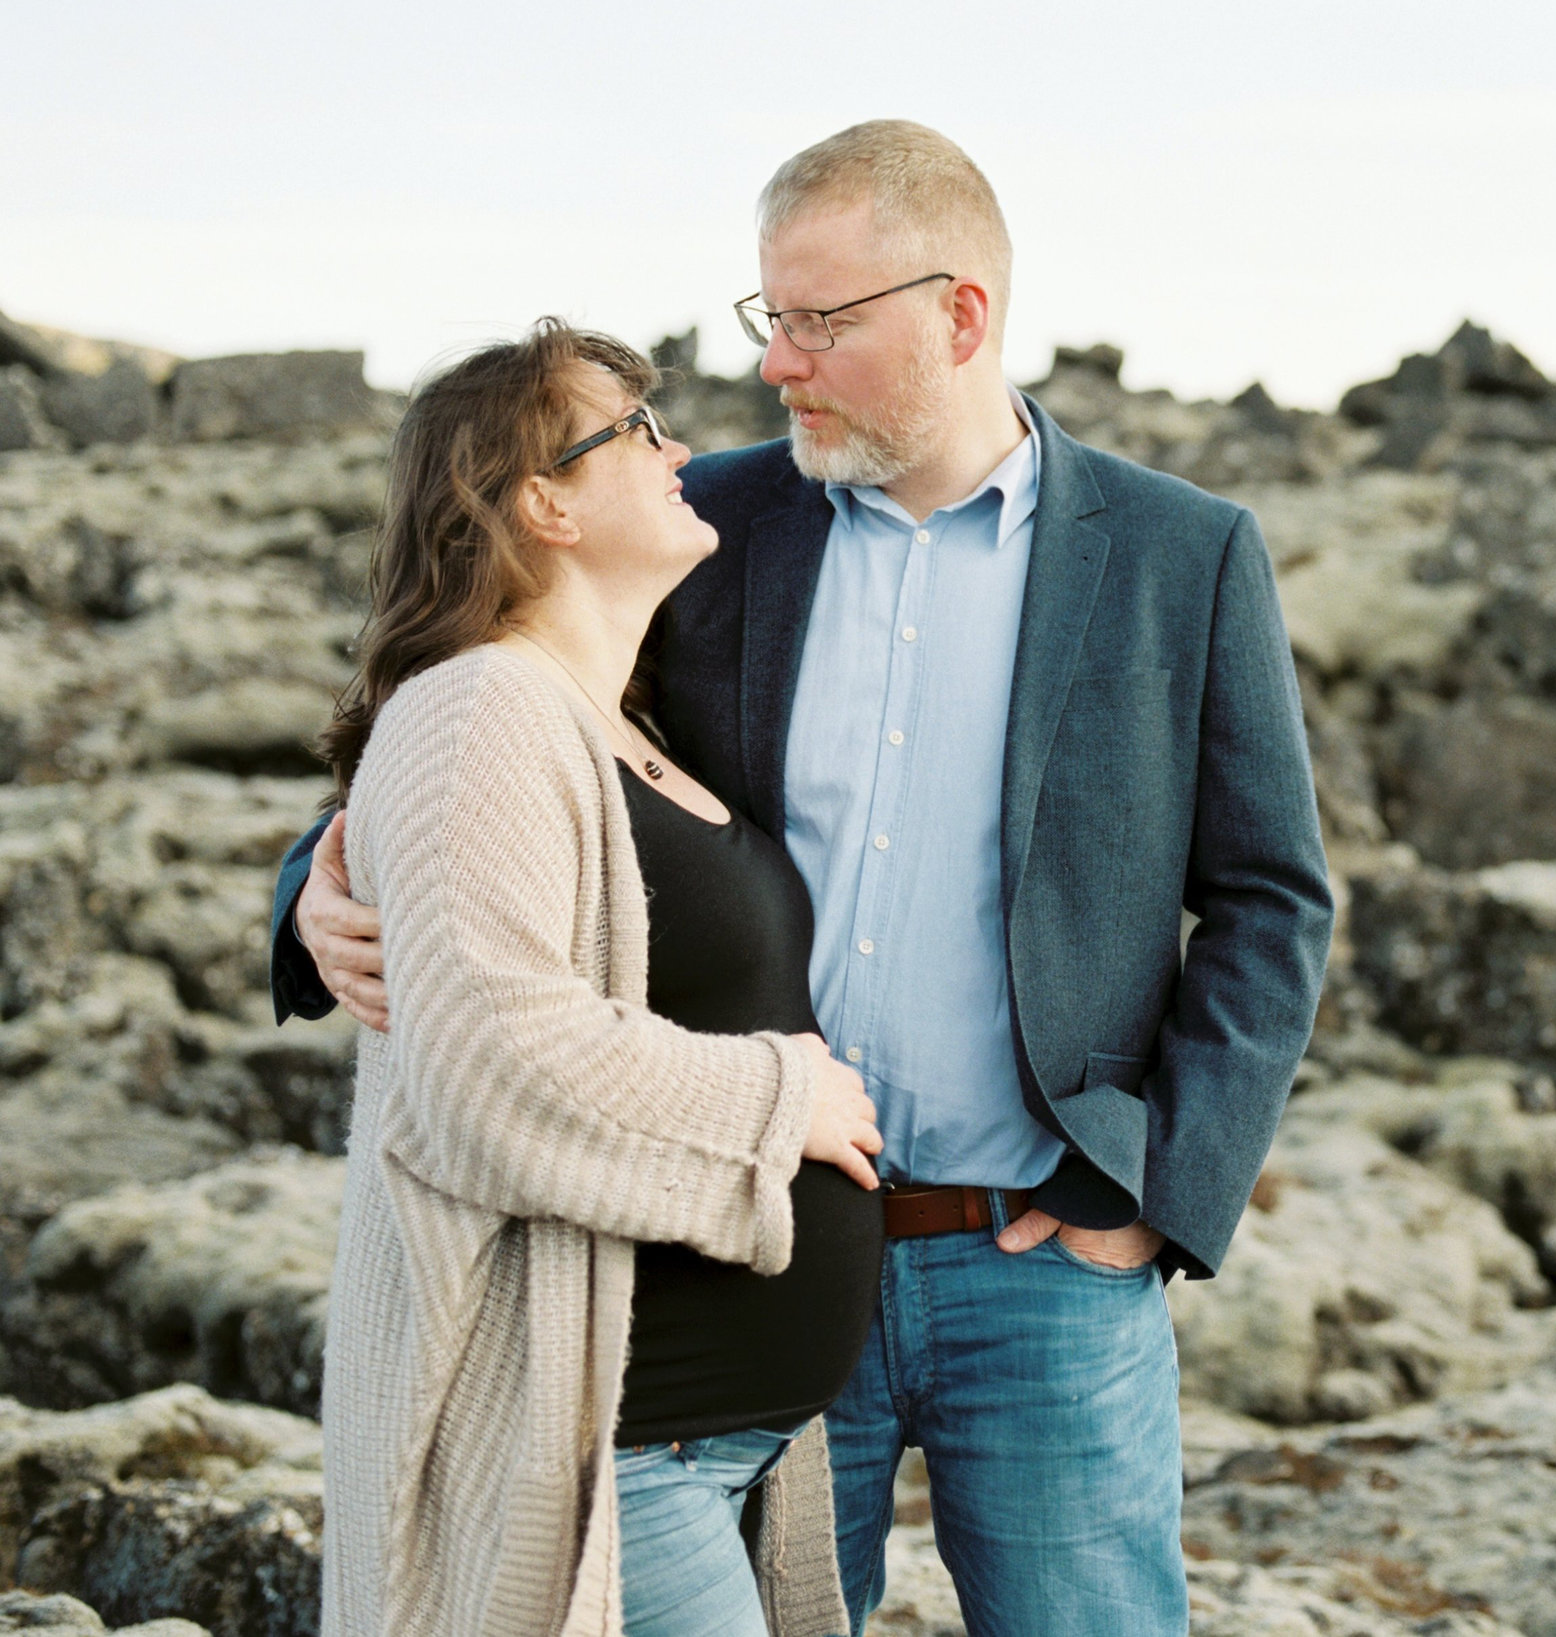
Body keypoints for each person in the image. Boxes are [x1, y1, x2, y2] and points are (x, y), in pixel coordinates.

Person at [274, 119, 1335, 1637]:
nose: (778, 364)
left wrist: (1160, 1188)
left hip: (1042, 1265)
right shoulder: (716, 529)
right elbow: (492, 716)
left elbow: (1272, 897)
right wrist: (317, 882)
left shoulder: (1182, 553)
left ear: (961, 314)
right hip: (730, 1262)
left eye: (823, 321)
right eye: (771, 317)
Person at [308, 322, 886, 1637]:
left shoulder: (614, 719)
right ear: (543, 497)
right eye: (635, 427)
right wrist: (778, 1094)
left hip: (707, 1454)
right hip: (616, 1457)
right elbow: (491, 1061)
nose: (681, 446)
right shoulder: (479, 711)